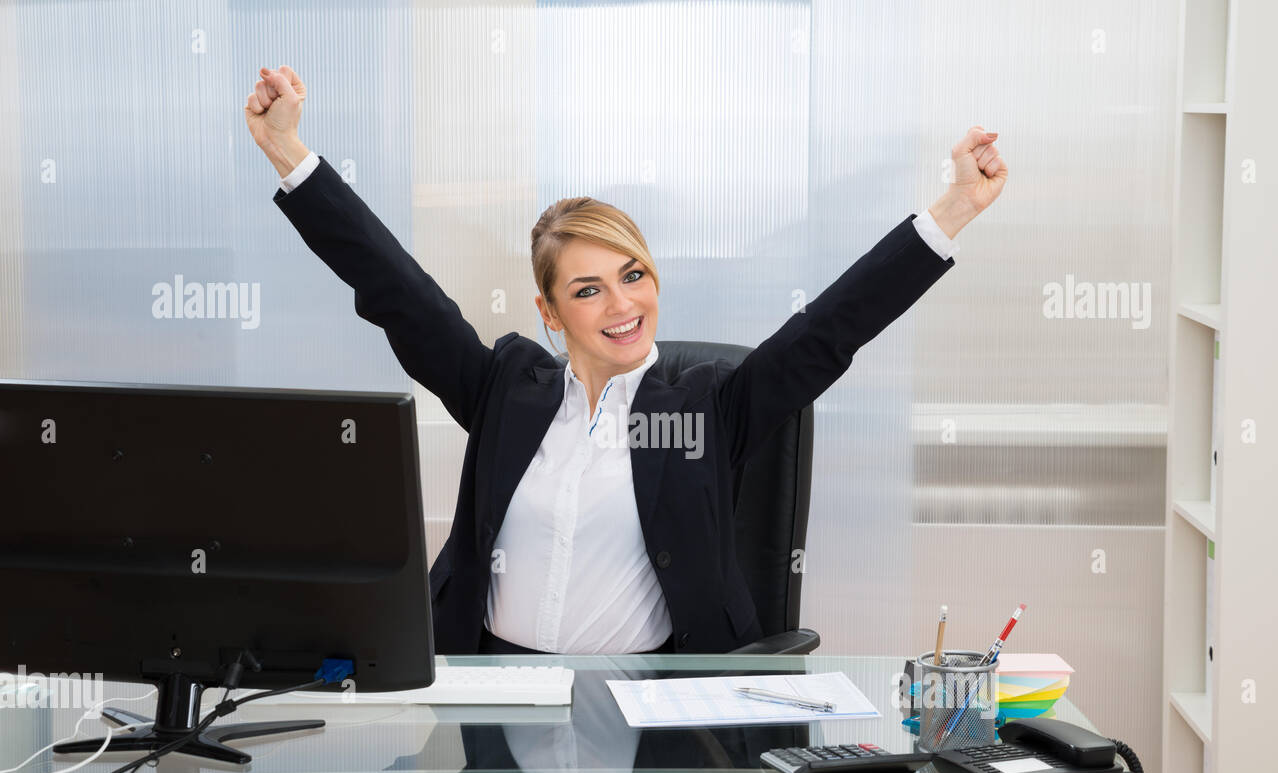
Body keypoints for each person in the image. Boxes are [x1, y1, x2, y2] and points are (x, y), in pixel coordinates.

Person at [245, 65, 1007, 659]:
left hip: (651, 704)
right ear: (549, 313)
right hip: (492, 691)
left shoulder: (707, 407)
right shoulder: (504, 387)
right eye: (588, 289)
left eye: (633, 275)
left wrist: (954, 209)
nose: (622, 306)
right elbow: (395, 288)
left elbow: (831, 328)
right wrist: (289, 152)